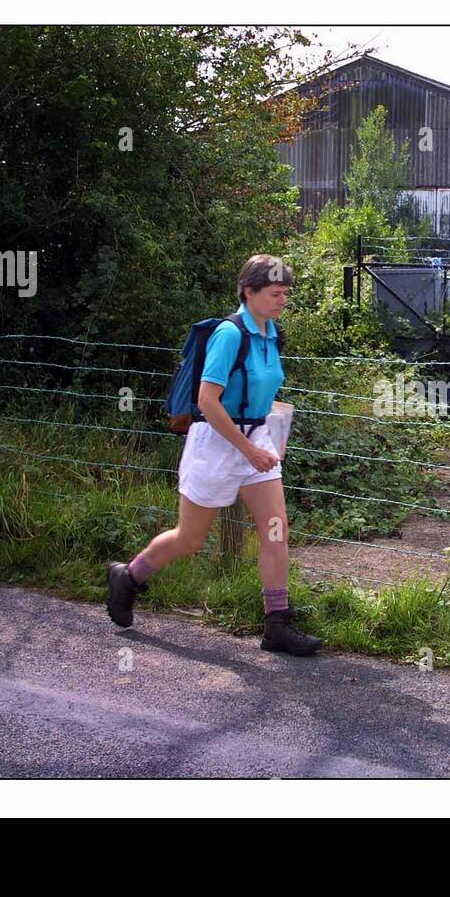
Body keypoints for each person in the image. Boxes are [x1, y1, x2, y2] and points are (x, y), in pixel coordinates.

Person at [105, 255, 321, 656]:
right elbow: (208, 400)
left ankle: (277, 624)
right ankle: (128, 577)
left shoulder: (272, 333)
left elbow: (264, 392)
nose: (282, 301)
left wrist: (266, 440)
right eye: (275, 294)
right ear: (248, 292)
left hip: (256, 439)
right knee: (190, 538)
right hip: (217, 444)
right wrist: (249, 450)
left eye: (286, 294)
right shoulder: (229, 334)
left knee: (276, 529)